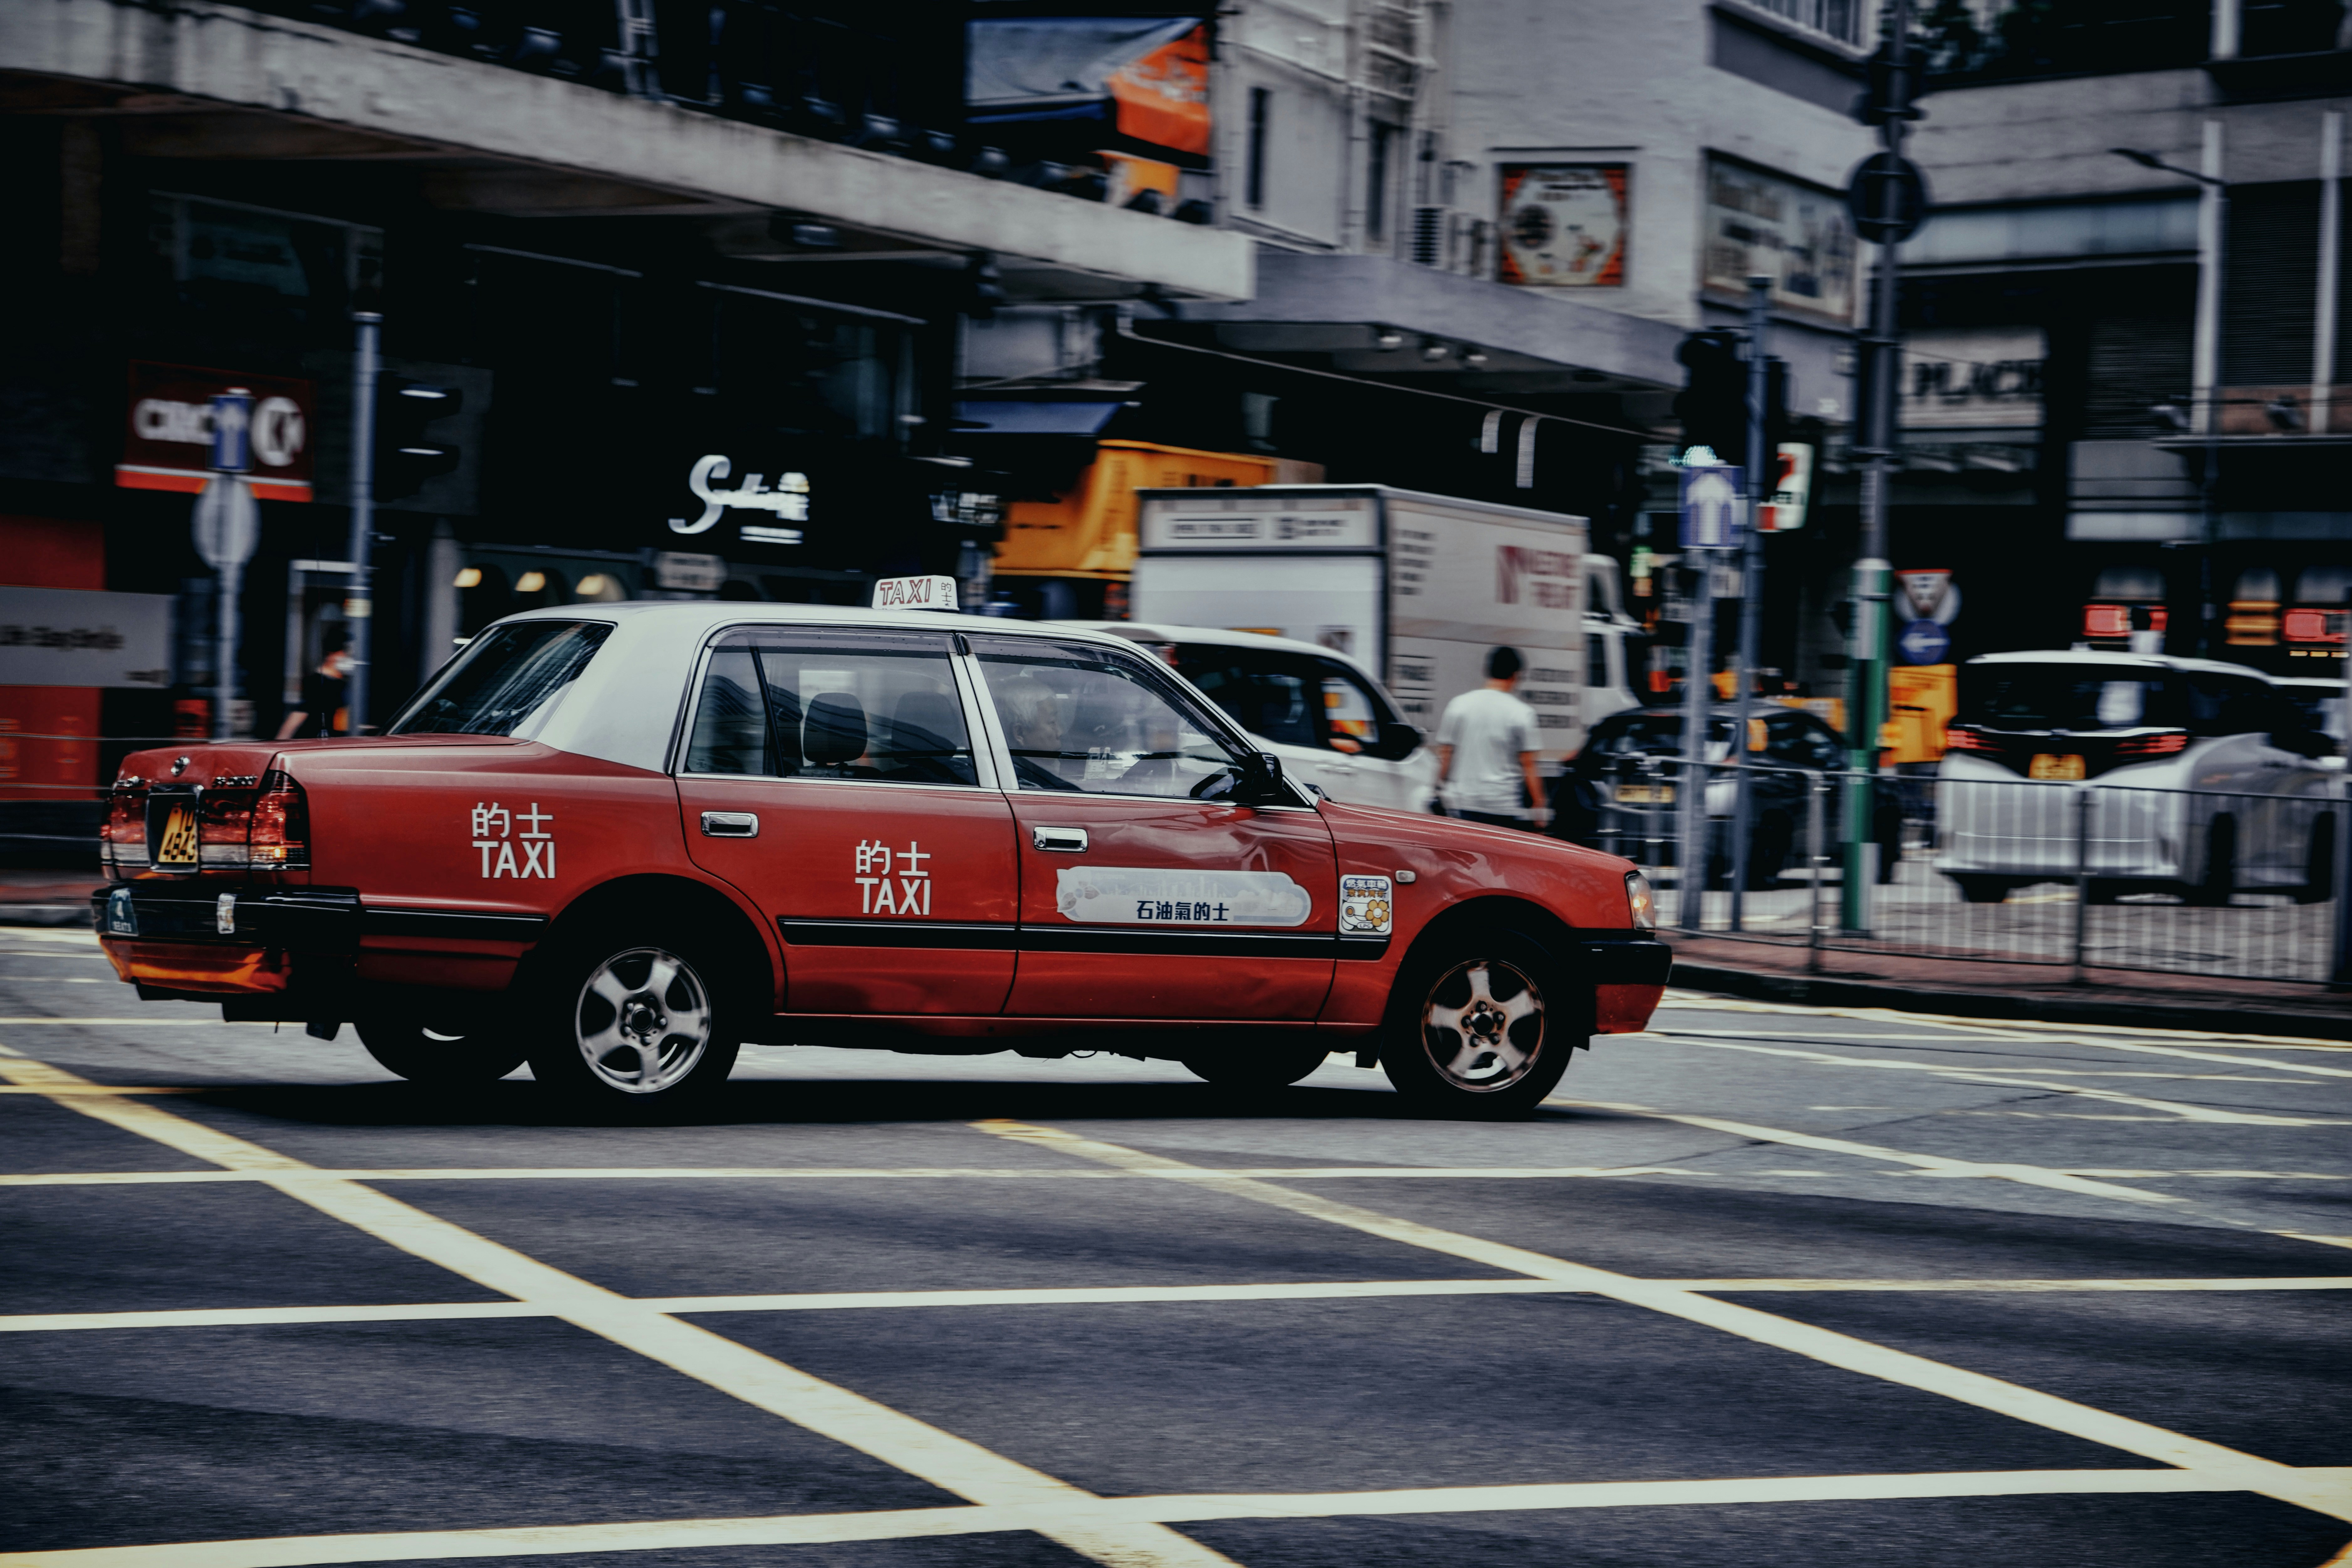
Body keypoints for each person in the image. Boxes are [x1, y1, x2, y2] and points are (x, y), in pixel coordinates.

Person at [1435, 646, 1546, 829]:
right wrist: (1539, 807)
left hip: (1463, 803)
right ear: (1516, 675)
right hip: (1503, 807)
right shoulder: (1522, 713)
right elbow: (1529, 765)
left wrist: (1438, 789)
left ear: (1486, 671)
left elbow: (1446, 754)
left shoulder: (1459, 705)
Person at [275, 646, 353, 740]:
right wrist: (282, 738)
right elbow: (301, 712)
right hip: (314, 738)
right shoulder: (318, 682)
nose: (347, 659)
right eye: (344, 655)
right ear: (331, 656)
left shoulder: (341, 683)